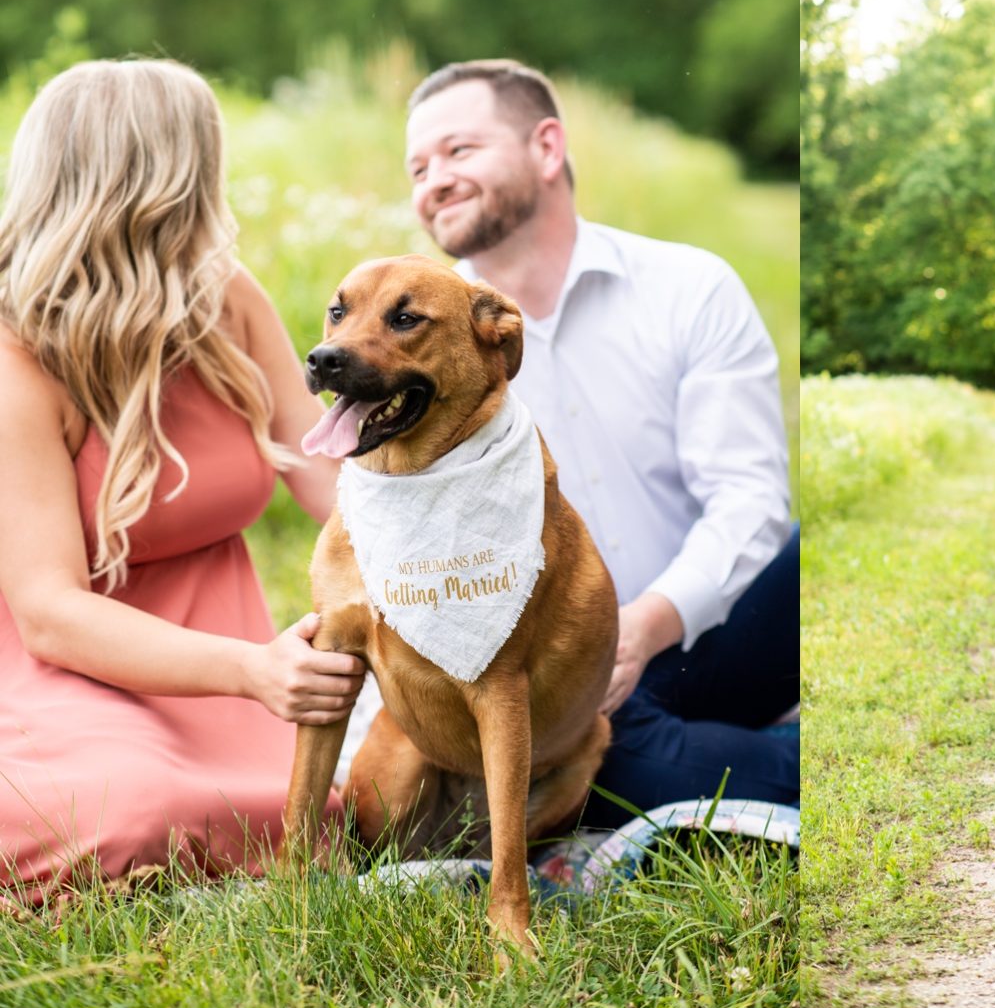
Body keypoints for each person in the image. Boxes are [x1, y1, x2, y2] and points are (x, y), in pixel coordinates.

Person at [0, 60, 366, 903]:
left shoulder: (225, 300)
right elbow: (49, 614)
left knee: (330, 814)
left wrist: (447, 563)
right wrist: (252, 670)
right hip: (60, 682)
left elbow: (329, 477)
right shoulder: (19, 356)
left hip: (218, 680)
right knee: (137, 815)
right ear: (159, 184)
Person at [400, 58, 797, 827]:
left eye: (459, 152)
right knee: (614, 769)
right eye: (418, 168)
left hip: (707, 624)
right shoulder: (417, 349)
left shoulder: (690, 287)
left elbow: (749, 500)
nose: (433, 180)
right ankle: (781, 754)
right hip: (572, 684)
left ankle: (733, 738)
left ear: (547, 149)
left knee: (810, 559)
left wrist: (649, 623)